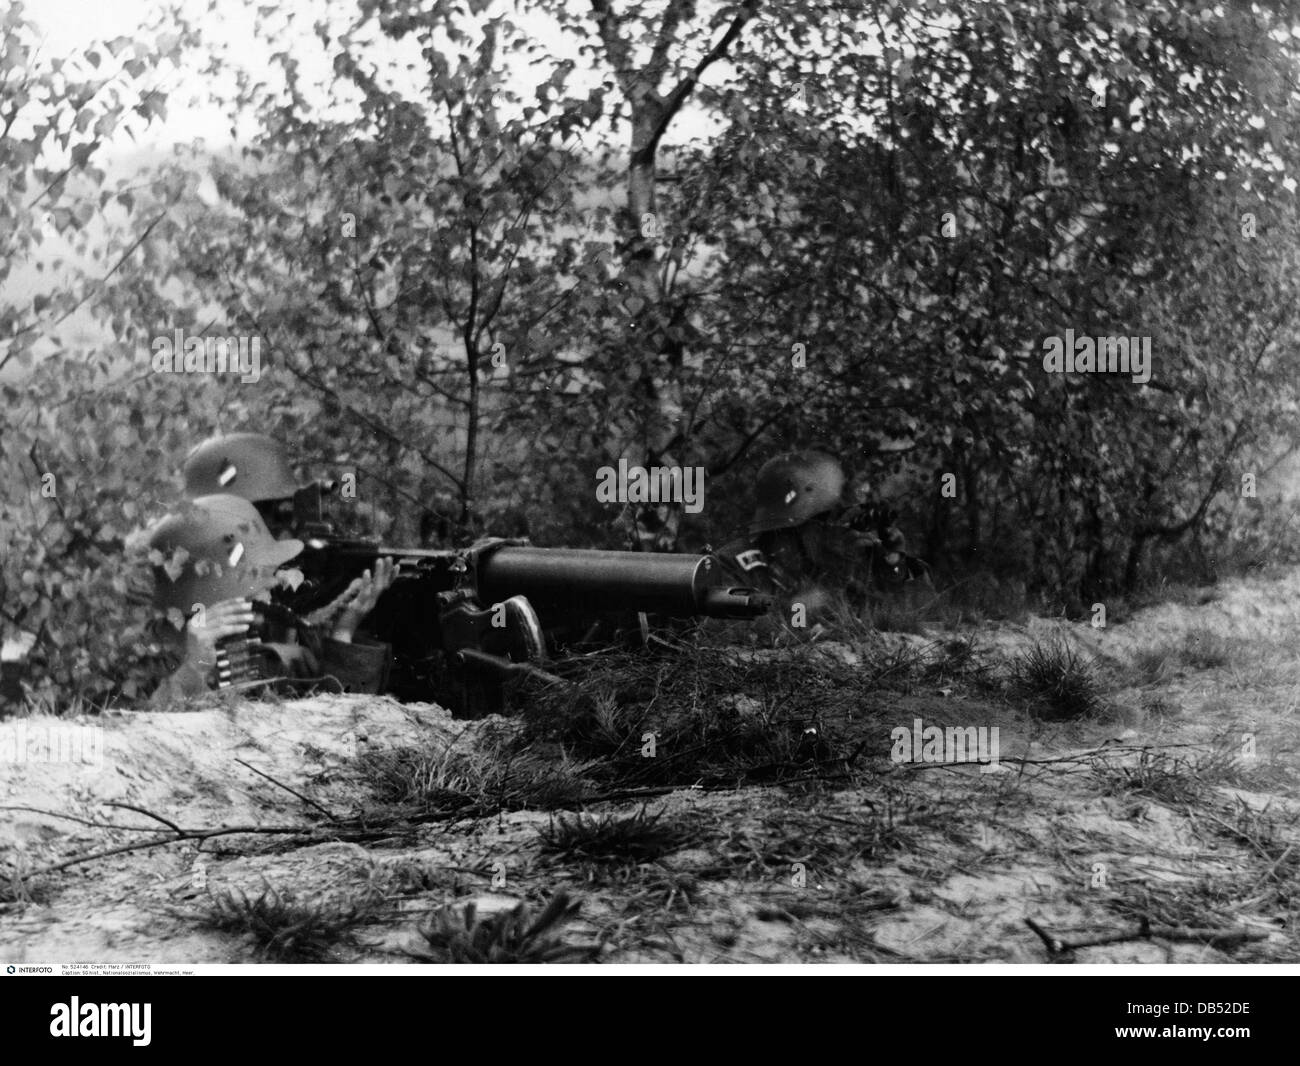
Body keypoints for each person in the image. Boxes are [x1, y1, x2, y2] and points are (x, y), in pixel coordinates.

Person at [145, 494, 392, 705]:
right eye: (253, 578)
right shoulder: (153, 665)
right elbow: (149, 740)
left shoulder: (256, 654)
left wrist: (344, 631)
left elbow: (336, 724)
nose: (269, 584)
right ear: (213, 588)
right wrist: (194, 669)